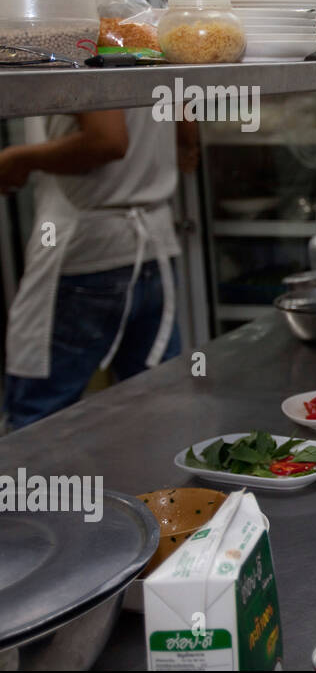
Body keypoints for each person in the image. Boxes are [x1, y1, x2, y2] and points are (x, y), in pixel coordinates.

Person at [1, 107, 197, 431]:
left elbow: (107, 141)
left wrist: (18, 158)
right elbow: (187, 132)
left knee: (38, 423)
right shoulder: (154, 52)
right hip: (152, 246)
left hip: (88, 253)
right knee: (158, 417)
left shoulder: (82, 52)